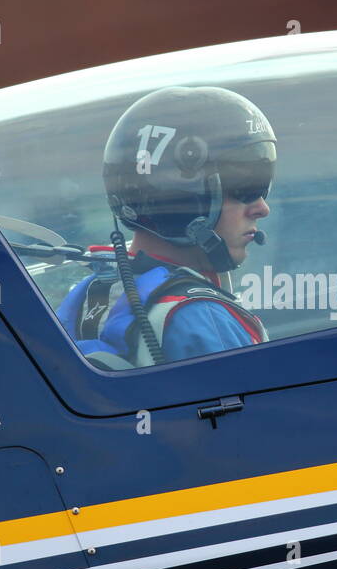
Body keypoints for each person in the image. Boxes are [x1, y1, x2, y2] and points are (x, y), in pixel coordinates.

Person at [57, 86, 275, 369]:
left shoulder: (89, 291)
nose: (262, 208)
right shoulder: (203, 317)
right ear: (186, 200)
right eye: (246, 189)